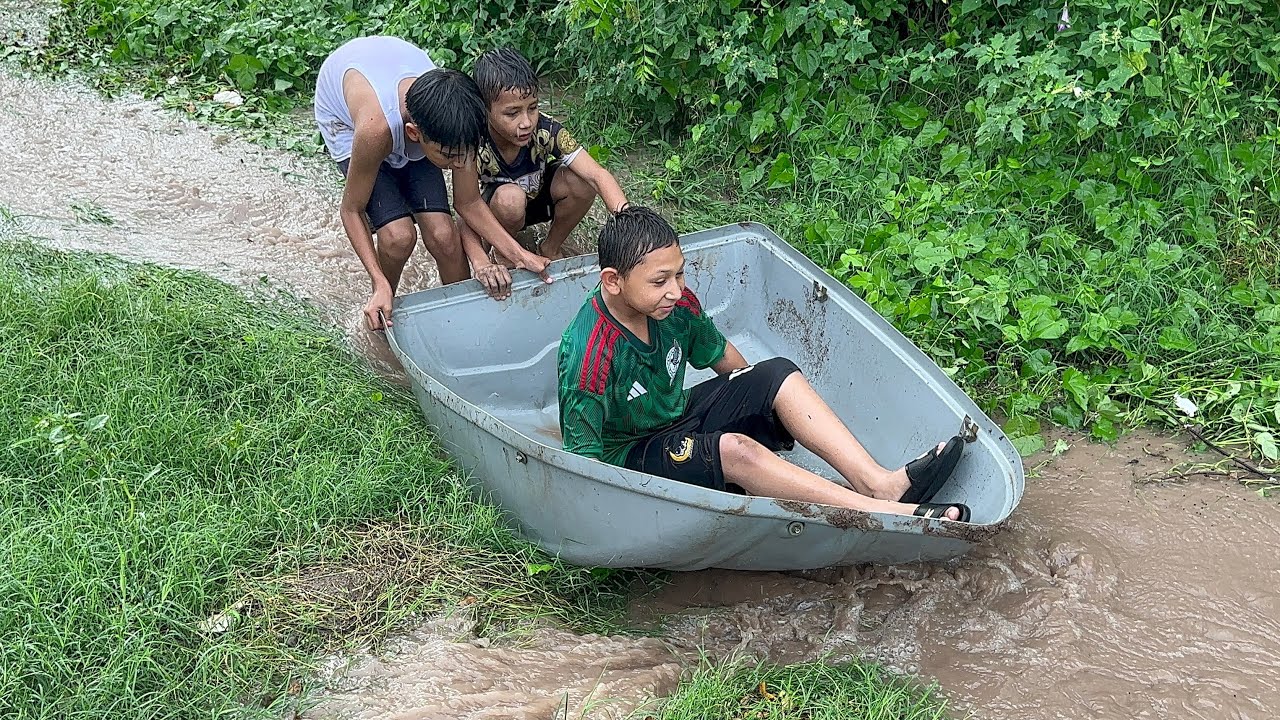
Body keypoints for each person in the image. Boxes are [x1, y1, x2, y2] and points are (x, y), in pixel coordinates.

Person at [556, 207, 972, 522]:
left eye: (679, 274)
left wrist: (758, 404)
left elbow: (726, 361)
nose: (676, 290)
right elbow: (585, 468)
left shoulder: (676, 305)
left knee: (775, 373)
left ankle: (878, 484)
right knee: (735, 451)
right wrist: (731, 454)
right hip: (629, 454)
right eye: (659, 281)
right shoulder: (588, 353)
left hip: (674, 416)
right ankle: (884, 514)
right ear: (613, 280)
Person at [313, 36, 551, 329]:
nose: (458, 164)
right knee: (398, 237)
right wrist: (378, 281)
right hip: (351, 123)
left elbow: (468, 202)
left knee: (444, 235)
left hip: (400, 88)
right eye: (449, 157)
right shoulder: (375, 131)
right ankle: (383, 307)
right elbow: (351, 210)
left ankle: (465, 318)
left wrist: (519, 255)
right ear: (415, 135)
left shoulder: (462, 121)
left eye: (464, 155)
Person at [454, 47, 630, 301]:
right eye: (512, 113)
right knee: (510, 200)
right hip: (501, 208)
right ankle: (504, 255)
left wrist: (629, 220)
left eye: (533, 108)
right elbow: (465, 207)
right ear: (485, 109)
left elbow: (597, 175)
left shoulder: (546, 130)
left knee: (580, 182)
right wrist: (481, 263)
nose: (526, 122)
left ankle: (551, 247)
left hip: (537, 199)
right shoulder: (472, 143)